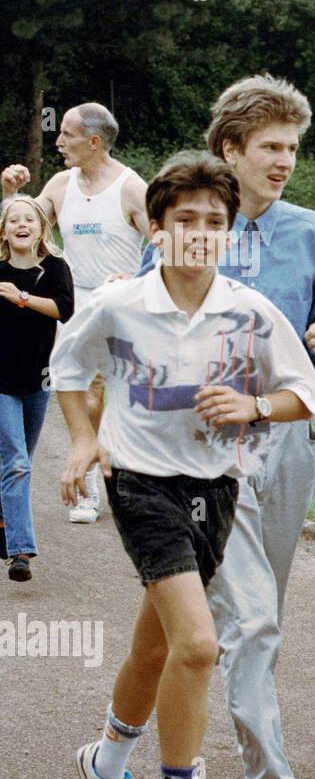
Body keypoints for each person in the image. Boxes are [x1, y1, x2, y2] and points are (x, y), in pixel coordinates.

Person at [51, 151, 315, 779]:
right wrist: (84, 439)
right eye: (184, 219)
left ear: (229, 232)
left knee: (156, 647)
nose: (199, 232)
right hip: (139, 483)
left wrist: (253, 407)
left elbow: (304, 392)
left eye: (214, 220)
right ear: (156, 228)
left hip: (215, 489)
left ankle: (106, 762)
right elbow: (67, 368)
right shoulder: (120, 303)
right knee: (200, 645)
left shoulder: (250, 311)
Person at [135, 75, 315, 779]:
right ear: (230, 149)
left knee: (236, 621)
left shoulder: (312, 233)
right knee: (252, 619)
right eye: (270, 146)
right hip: (205, 451)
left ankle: (114, 741)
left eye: (293, 147)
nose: (285, 160)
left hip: (288, 440)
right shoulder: (185, 229)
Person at [1, 104, 149, 523]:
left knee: (107, 396)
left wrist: (138, 276)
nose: (59, 141)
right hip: (73, 306)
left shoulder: (129, 188)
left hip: (119, 307)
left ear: (94, 142)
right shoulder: (62, 184)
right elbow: (23, 225)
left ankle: (110, 478)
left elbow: (163, 240)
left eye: (66, 135)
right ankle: (91, 485)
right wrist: (9, 193)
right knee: (81, 393)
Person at [0, 196, 74, 581]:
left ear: (42, 227)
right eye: (14, 220)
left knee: (18, 460)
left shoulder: (55, 269)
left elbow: (65, 309)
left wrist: (22, 298)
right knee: (15, 463)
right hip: (1, 383)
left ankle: (4, 521)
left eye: (29, 219)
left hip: (38, 382)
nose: (22, 225)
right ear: (4, 230)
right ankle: (21, 552)